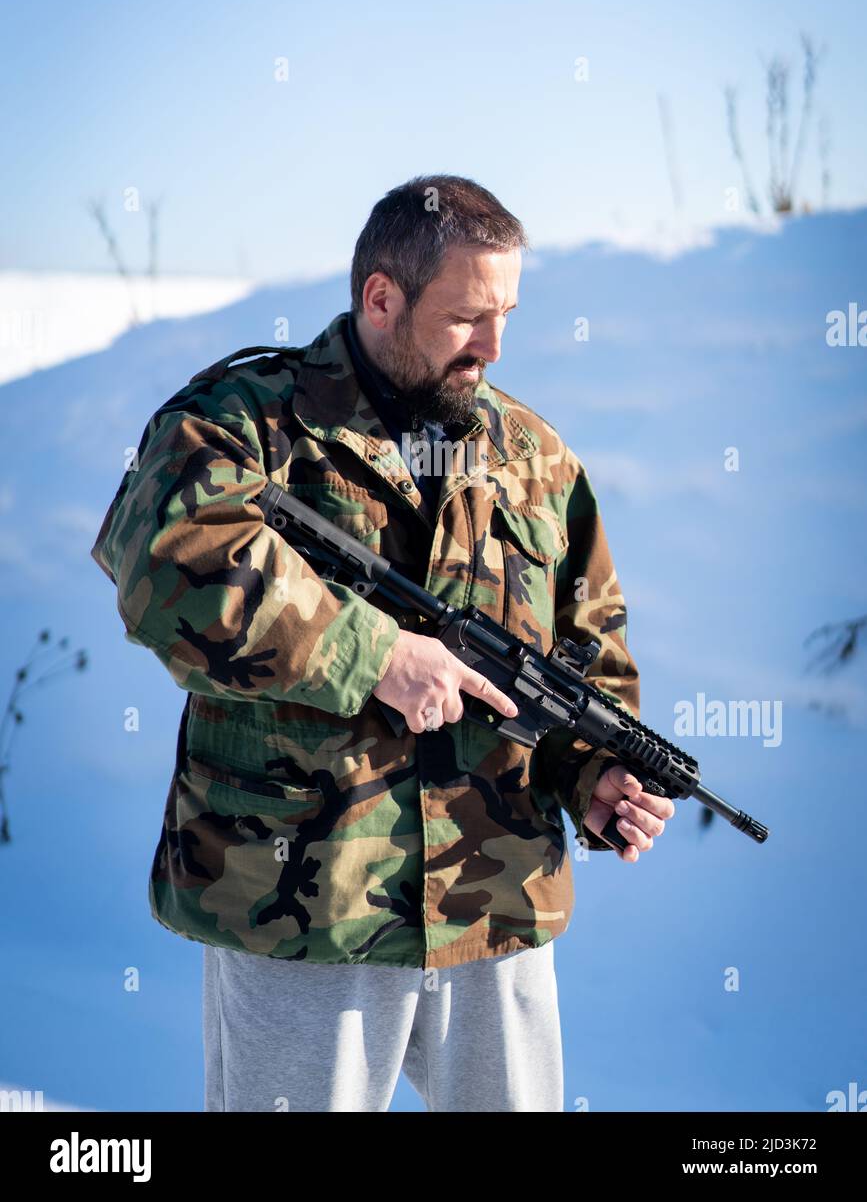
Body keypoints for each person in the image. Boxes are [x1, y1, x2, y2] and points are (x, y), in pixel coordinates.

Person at [91, 174, 674, 1112]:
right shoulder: (245, 419)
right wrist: (374, 656)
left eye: (506, 315)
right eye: (464, 319)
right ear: (380, 299)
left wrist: (590, 772)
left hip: (495, 900)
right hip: (307, 902)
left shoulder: (534, 457)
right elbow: (165, 567)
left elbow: (586, 645)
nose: (491, 347)